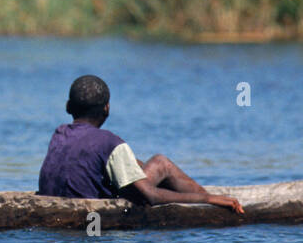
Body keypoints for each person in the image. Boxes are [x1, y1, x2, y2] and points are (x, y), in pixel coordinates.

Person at [37, 75, 243, 213]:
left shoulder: (60, 134)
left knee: (141, 164)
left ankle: (203, 195)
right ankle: (210, 198)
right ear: (107, 109)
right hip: (92, 211)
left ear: (68, 107)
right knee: (161, 163)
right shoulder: (110, 142)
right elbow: (151, 197)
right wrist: (207, 201)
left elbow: (119, 162)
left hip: (57, 204)